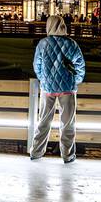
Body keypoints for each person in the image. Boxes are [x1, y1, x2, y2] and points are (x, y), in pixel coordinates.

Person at [29, 14, 86, 163]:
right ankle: (67, 154)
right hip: (67, 88)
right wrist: (75, 81)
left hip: (48, 89)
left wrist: (44, 79)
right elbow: (80, 66)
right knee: (67, 123)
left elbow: (37, 66)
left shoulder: (43, 43)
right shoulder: (72, 44)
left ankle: (36, 151)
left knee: (43, 121)